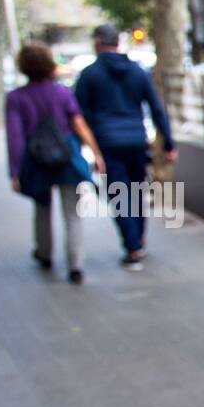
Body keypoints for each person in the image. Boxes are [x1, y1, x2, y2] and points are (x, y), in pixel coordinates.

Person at [74, 23, 176, 270]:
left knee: (119, 194)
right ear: (117, 43)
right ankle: (138, 238)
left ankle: (132, 246)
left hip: (108, 143)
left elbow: (78, 114)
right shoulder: (138, 71)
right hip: (136, 141)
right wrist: (168, 143)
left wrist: (82, 146)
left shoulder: (89, 75)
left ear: (98, 42)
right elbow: (156, 108)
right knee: (136, 192)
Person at [6, 41, 104, 285]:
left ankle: (44, 253)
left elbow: (15, 138)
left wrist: (15, 172)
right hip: (66, 158)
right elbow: (78, 124)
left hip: (36, 161)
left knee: (42, 208)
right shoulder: (61, 93)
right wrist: (96, 152)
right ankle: (75, 265)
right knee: (72, 213)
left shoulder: (16, 98)